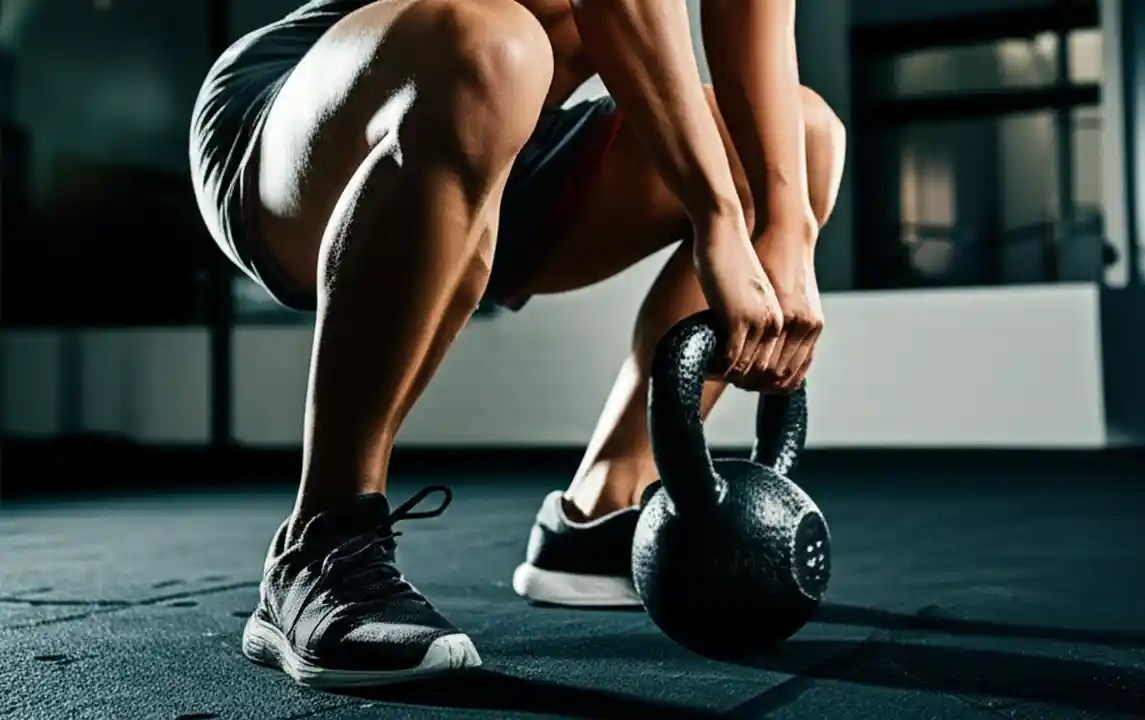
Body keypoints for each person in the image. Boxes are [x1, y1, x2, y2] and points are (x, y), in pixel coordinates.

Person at [190, 0, 844, 687]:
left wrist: (786, 230)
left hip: (511, 140)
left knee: (805, 138)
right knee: (493, 47)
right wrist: (721, 219)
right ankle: (321, 540)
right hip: (323, 118)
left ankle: (607, 509)